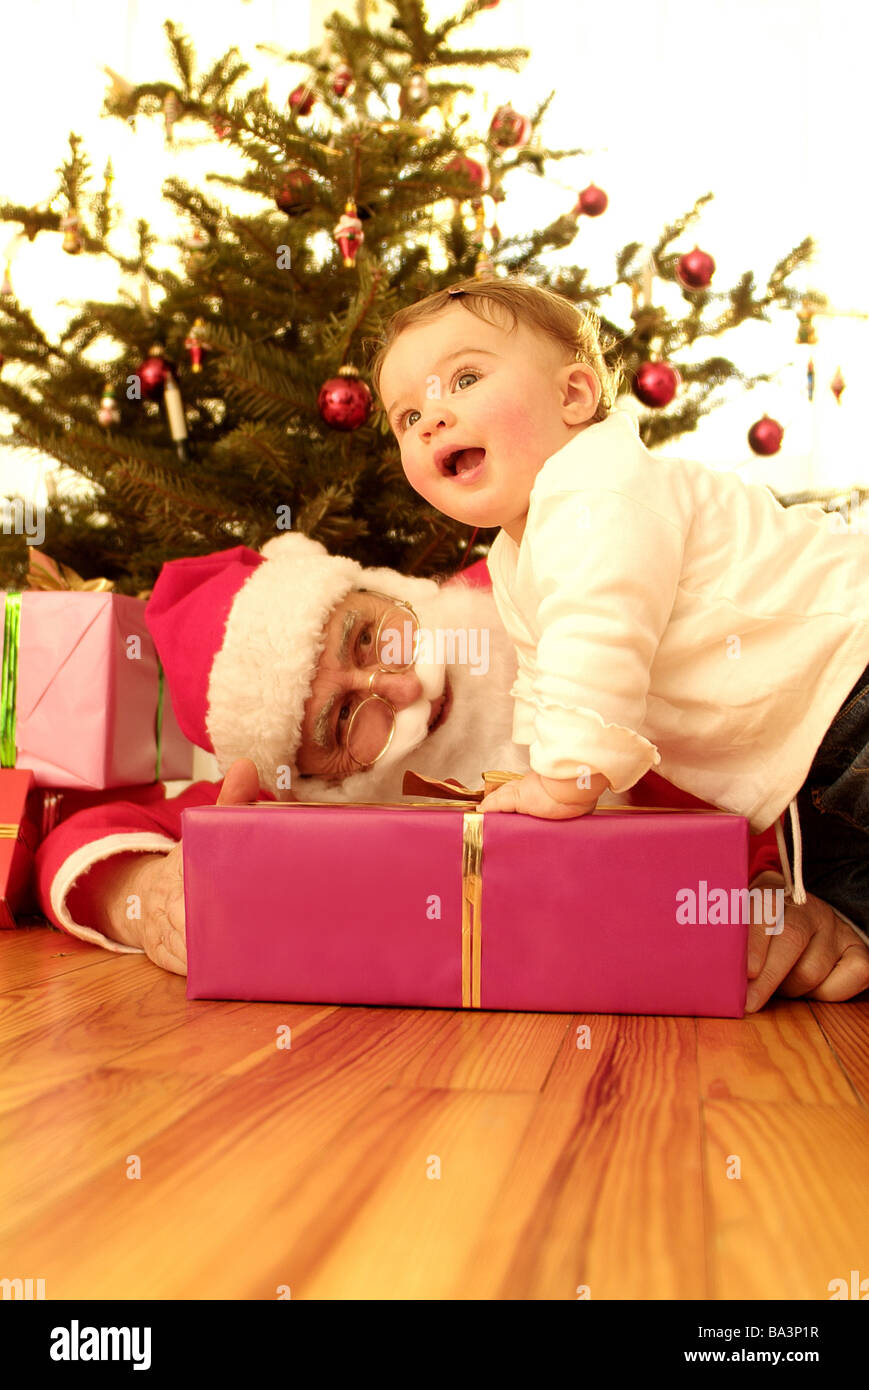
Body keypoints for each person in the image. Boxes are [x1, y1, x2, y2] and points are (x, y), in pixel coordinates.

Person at [33, 535, 869, 1011]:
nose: (403, 688)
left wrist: (769, 880)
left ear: (382, 587)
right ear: (314, 784)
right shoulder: (293, 795)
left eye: (367, 639)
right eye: (340, 723)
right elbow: (75, 831)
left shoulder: (530, 568)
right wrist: (145, 898)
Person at [372, 276, 869, 938]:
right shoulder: (512, 558)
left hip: (851, 682)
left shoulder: (597, 485)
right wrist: (533, 786)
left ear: (573, 395)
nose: (431, 415)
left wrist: (564, 780)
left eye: (462, 380)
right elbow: (547, 689)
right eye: (407, 416)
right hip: (812, 747)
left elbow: (597, 634)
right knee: (849, 925)